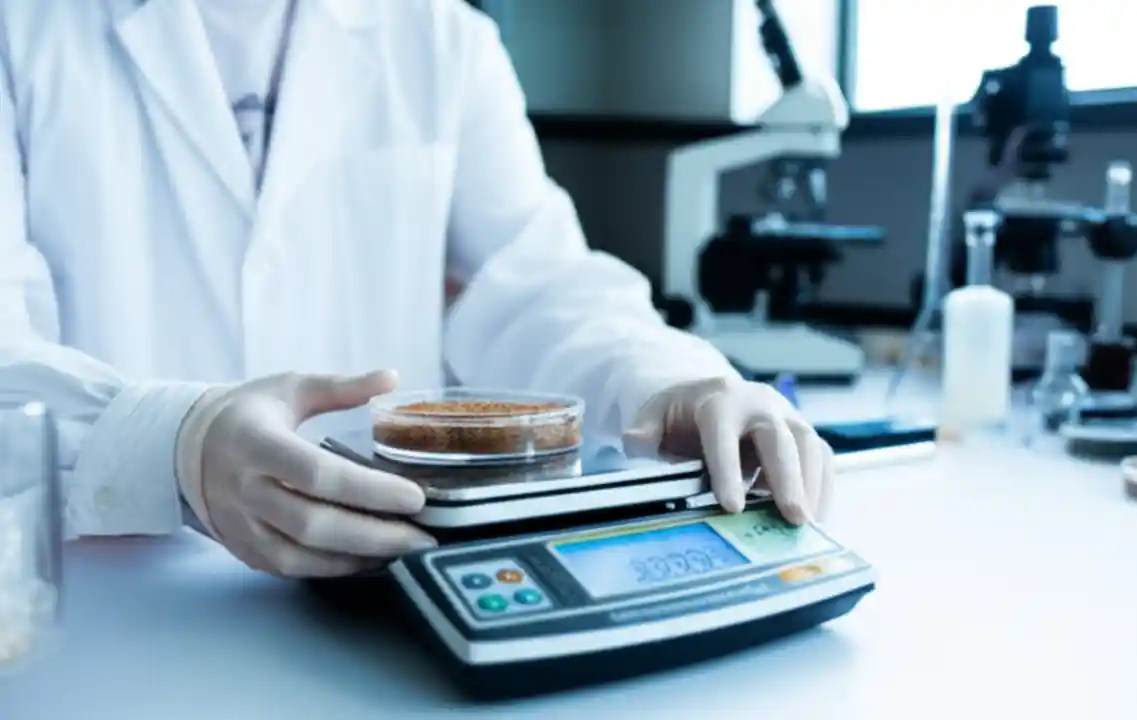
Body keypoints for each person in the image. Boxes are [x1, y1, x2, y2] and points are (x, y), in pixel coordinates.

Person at [0, 0, 836, 578]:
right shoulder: (22, 29)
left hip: (385, 588)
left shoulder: (439, 36)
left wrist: (671, 377)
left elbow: (536, 277)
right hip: (104, 595)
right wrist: (174, 444)